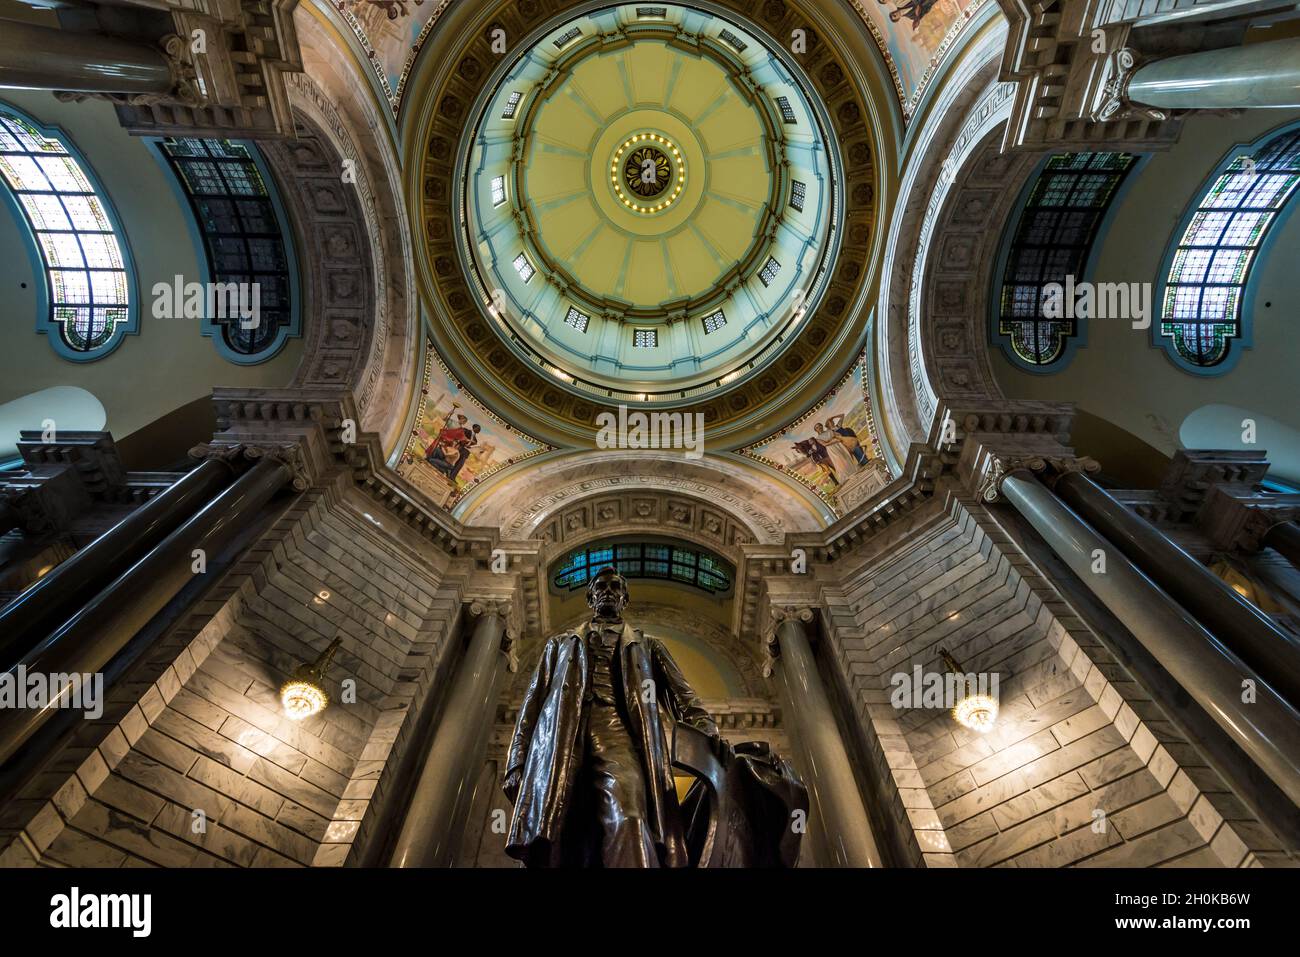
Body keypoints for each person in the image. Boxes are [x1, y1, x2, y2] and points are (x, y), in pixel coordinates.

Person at [503, 567, 723, 867]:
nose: (608, 591)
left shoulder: (648, 645)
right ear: (591, 597)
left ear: (625, 599)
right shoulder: (558, 645)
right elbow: (532, 704)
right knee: (556, 826)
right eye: (601, 587)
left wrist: (708, 731)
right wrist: (516, 759)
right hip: (558, 738)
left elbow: (683, 696)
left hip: (618, 733)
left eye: (615, 587)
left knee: (629, 814)